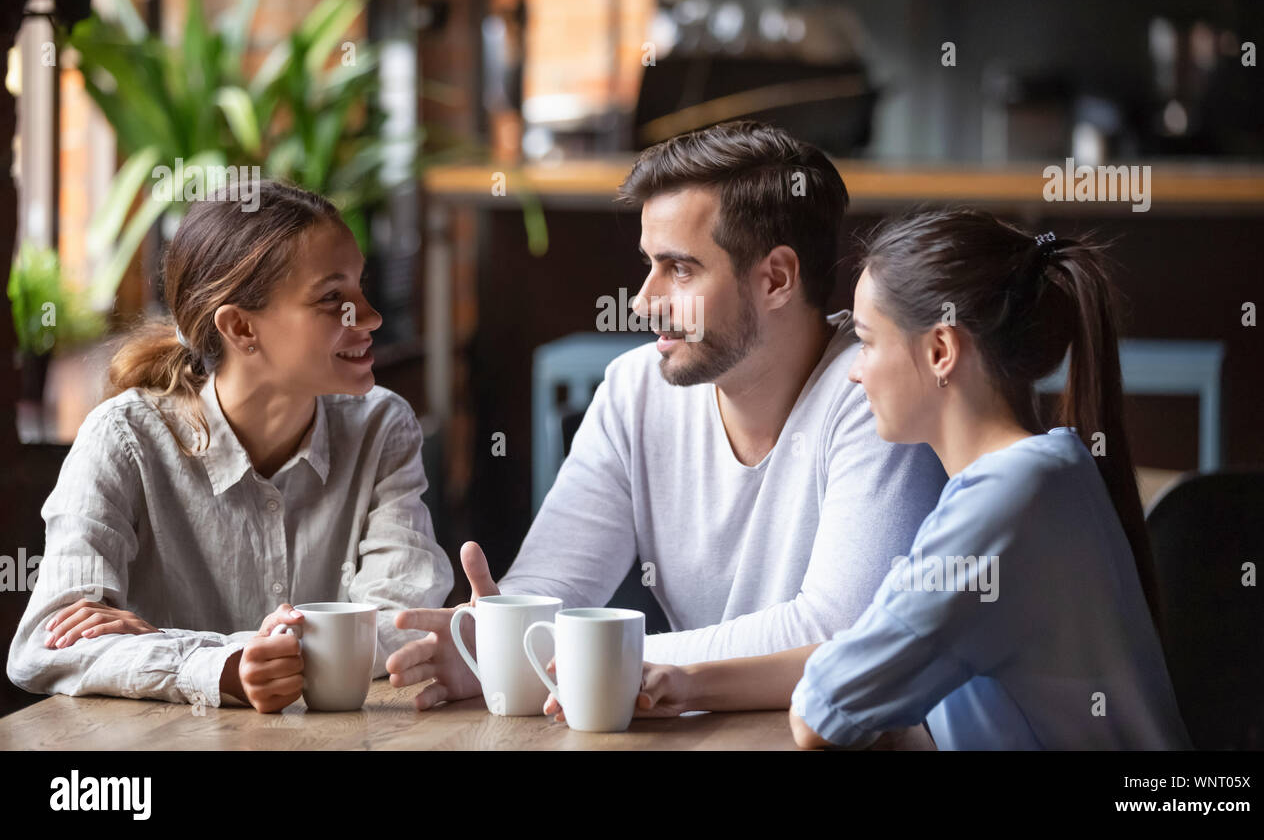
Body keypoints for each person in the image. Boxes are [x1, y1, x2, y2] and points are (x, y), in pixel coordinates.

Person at [387, 121, 949, 710]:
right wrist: (501, 637)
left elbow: (839, 633)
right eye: (649, 264)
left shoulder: (874, 394)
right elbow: (555, 584)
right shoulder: (634, 389)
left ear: (776, 279)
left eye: (679, 269)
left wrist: (606, 656)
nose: (643, 300)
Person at [589, 209, 1191, 750]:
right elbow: (862, 655)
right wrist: (690, 682)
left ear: (940, 351)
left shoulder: (997, 508)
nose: (855, 373)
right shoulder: (1045, 473)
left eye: (867, 343)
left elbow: (823, 712)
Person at [6, 181, 454, 713]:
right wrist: (226, 665)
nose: (370, 316)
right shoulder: (122, 439)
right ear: (241, 327)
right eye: (333, 298)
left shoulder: (382, 426)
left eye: (360, 288)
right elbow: (42, 648)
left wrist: (187, 650)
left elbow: (405, 620)